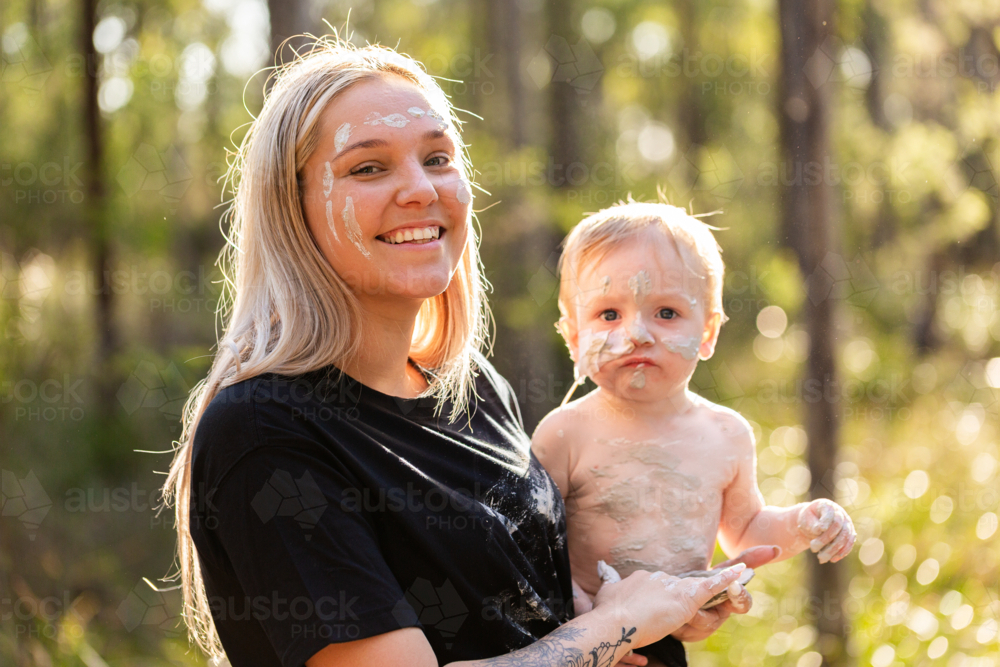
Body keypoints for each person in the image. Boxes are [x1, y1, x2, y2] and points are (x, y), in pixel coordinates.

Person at [161, 37, 761, 667]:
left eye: (438, 158)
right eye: (369, 167)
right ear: (293, 208)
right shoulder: (265, 430)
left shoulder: (472, 388)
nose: (420, 189)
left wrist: (660, 596)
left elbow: (537, 615)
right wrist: (615, 628)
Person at [530, 201, 858, 667]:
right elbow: (530, 545)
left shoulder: (725, 435)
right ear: (573, 336)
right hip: (574, 636)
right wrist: (578, 614)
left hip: (666, 644)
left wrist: (805, 522)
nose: (637, 333)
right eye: (608, 314)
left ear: (707, 333)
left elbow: (745, 531)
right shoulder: (564, 433)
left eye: (666, 312)